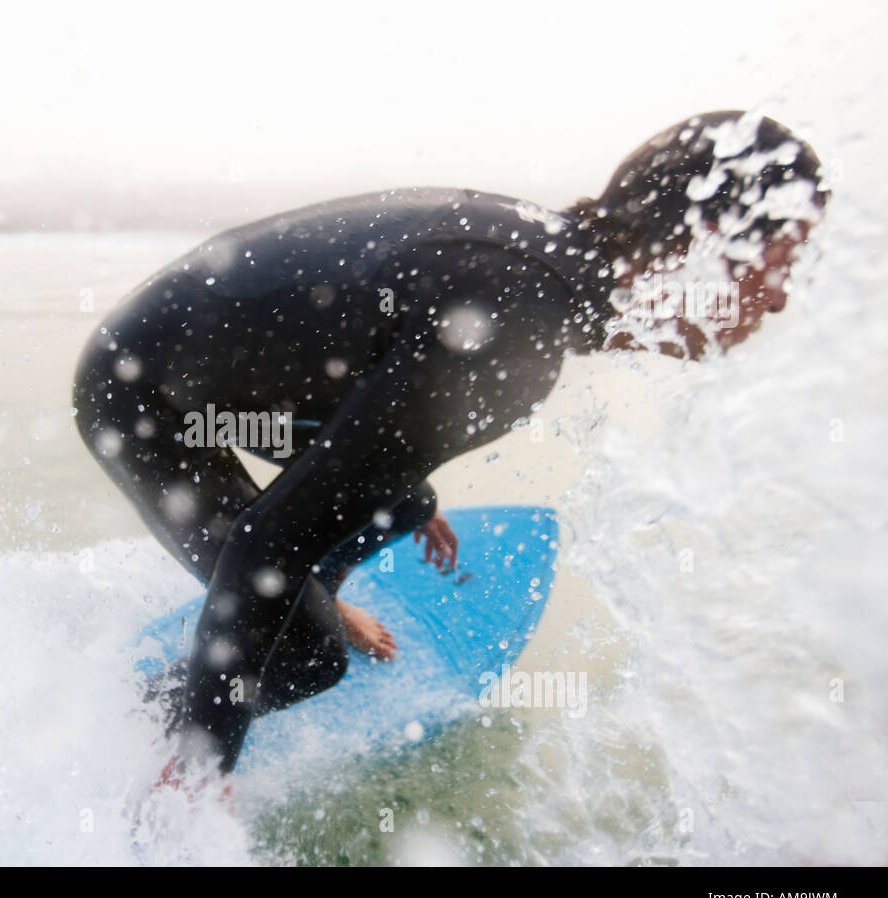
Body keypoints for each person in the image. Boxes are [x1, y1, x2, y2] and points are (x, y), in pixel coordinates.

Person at [72, 109, 828, 783]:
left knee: (403, 497)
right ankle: (139, 734)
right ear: (706, 241)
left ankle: (295, 616)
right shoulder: (520, 315)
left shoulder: (540, 269)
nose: (784, 294)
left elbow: (382, 383)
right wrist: (206, 772)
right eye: (783, 258)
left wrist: (386, 482)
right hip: (145, 397)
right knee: (308, 653)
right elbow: (264, 545)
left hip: (209, 380)